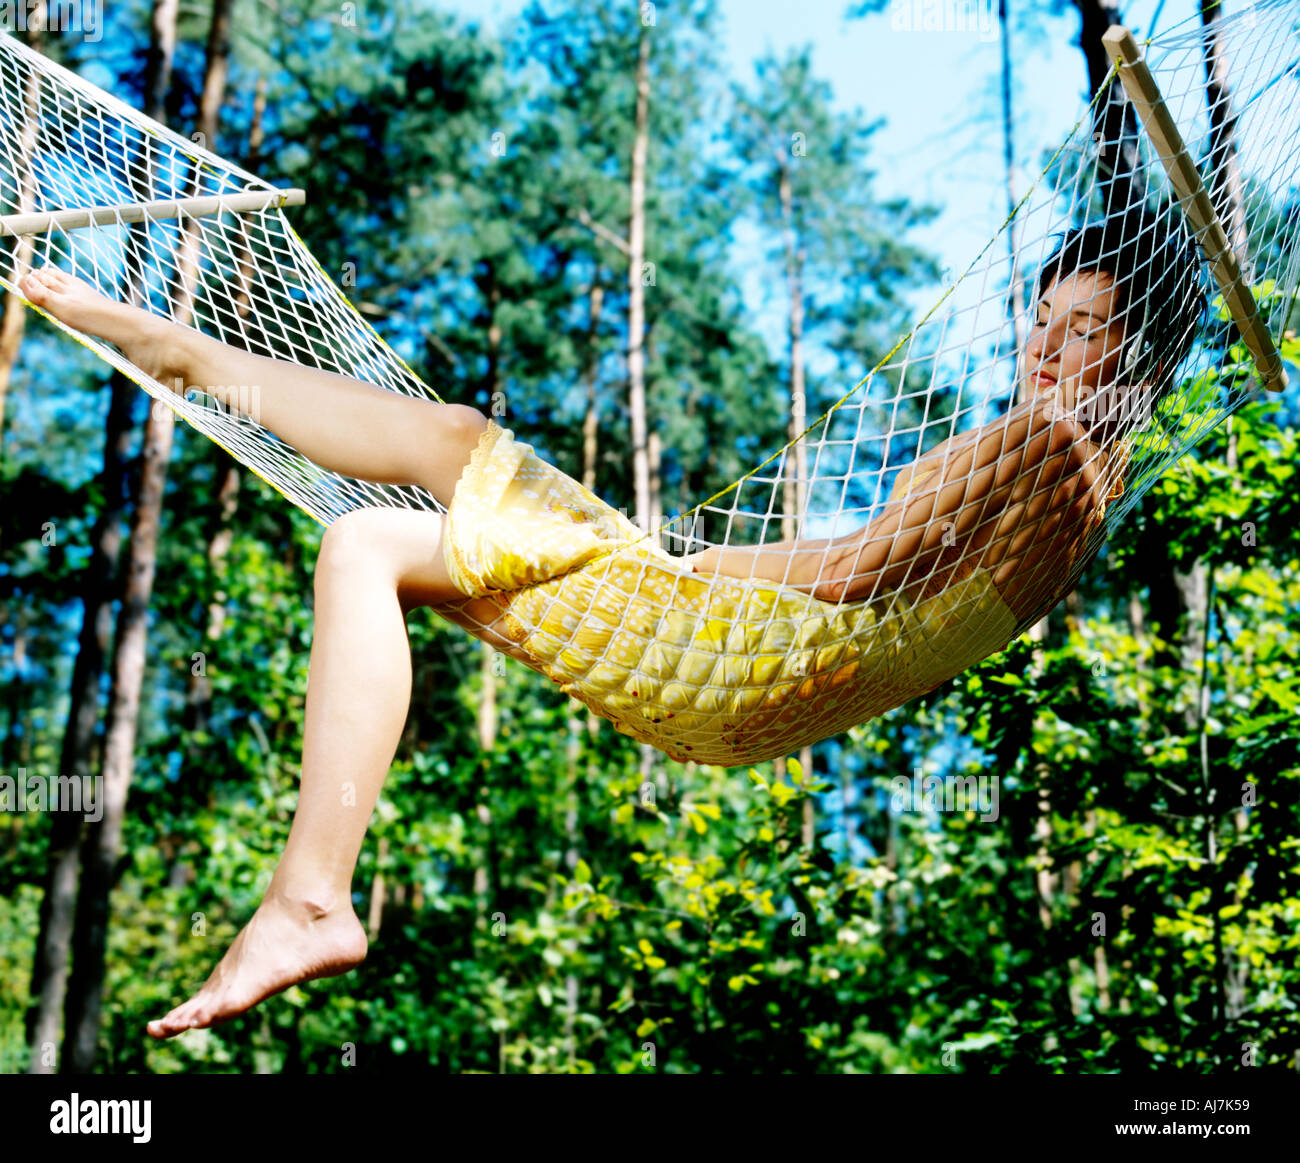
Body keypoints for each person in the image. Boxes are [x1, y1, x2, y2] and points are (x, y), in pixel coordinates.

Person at [16, 204, 1199, 1037]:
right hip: (747, 694)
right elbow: (887, 588)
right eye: (1039, 317)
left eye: (1083, 325)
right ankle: (181, 354)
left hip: (741, 649)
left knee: (410, 493)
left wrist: (687, 557)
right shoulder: (1084, 508)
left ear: (1138, 357)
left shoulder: (1036, 446)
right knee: (420, 489)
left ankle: (312, 898)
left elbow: (848, 573)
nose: (1044, 344)